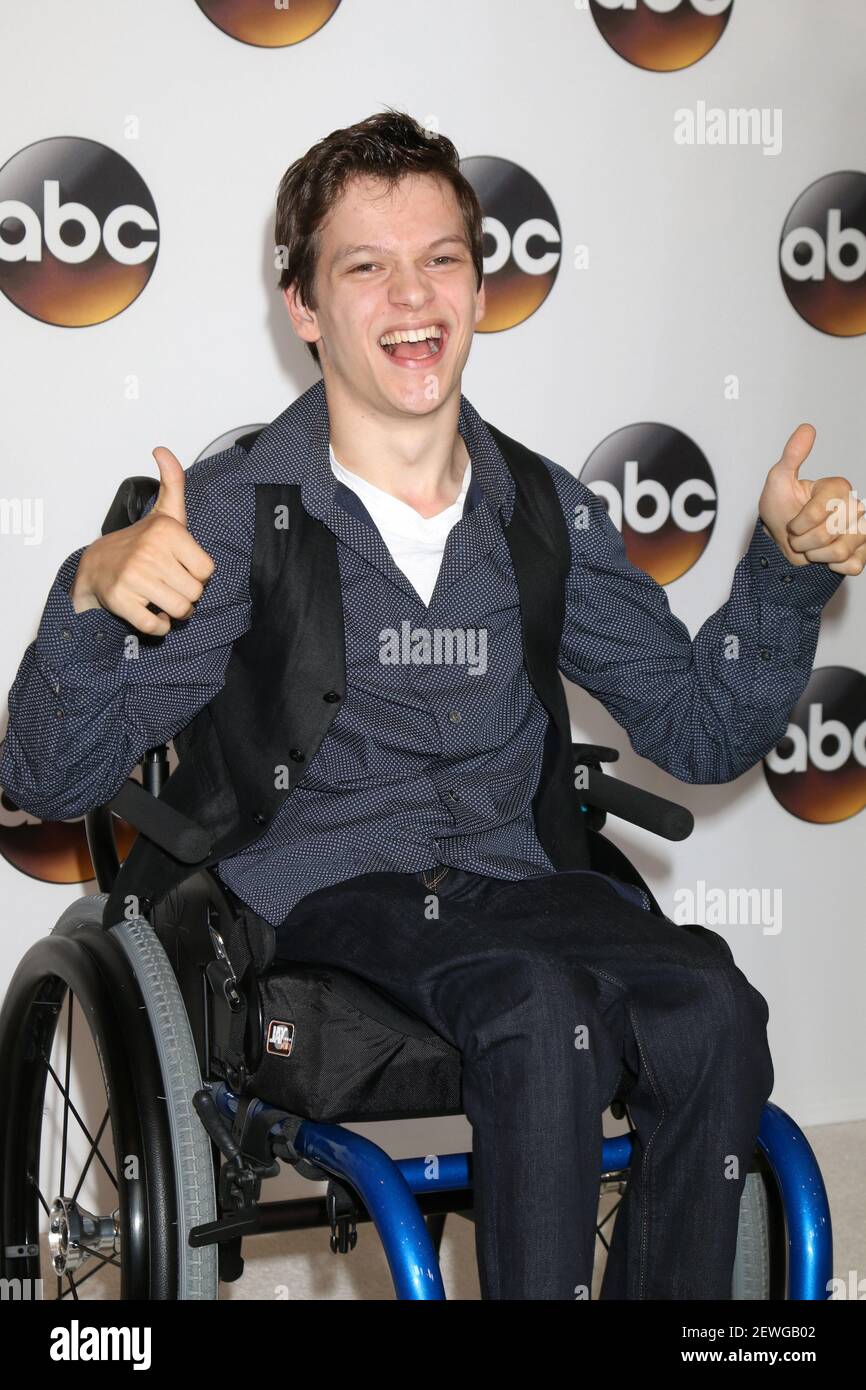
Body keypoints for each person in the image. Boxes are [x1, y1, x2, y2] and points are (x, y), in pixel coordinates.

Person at [1, 110, 862, 1300]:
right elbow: (44, 778)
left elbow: (701, 728)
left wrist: (779, 569)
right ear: (304, 305)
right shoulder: (239, 516)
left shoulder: (542, 511)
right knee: (534, 1001)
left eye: (441, 258)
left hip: (520, 880)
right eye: (365, 265)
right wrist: (90, 590)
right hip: (324, 890)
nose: (413, 296)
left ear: (477, 280)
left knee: (714, 1003)